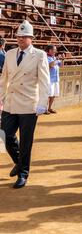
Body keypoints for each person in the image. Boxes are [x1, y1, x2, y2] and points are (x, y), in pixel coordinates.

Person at [0, 20, 50, 188]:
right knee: (5, 136)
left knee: (26, 141)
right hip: (11, 102)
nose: (20, 39)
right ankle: (19, 162)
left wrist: (43, 103)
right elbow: (4, 79)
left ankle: (23, 174)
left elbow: (44, 80)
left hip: (29, 104)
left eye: (24, 37)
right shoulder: (9, 53)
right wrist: (0, 97)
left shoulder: (40, 55)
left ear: (31, 38)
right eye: (18, 37)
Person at [46, 45, 63, 114]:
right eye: (54, 50)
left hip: (55, 79)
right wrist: (57, 59)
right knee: (48, 95)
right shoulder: (46, 57)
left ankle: (49, 108)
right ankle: (45, 109)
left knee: (53, 95)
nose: (55, 51)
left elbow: (61, 66)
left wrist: (62, 59)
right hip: (49, 79)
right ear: (50, 50)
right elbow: (51, 65)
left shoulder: (54, 57)